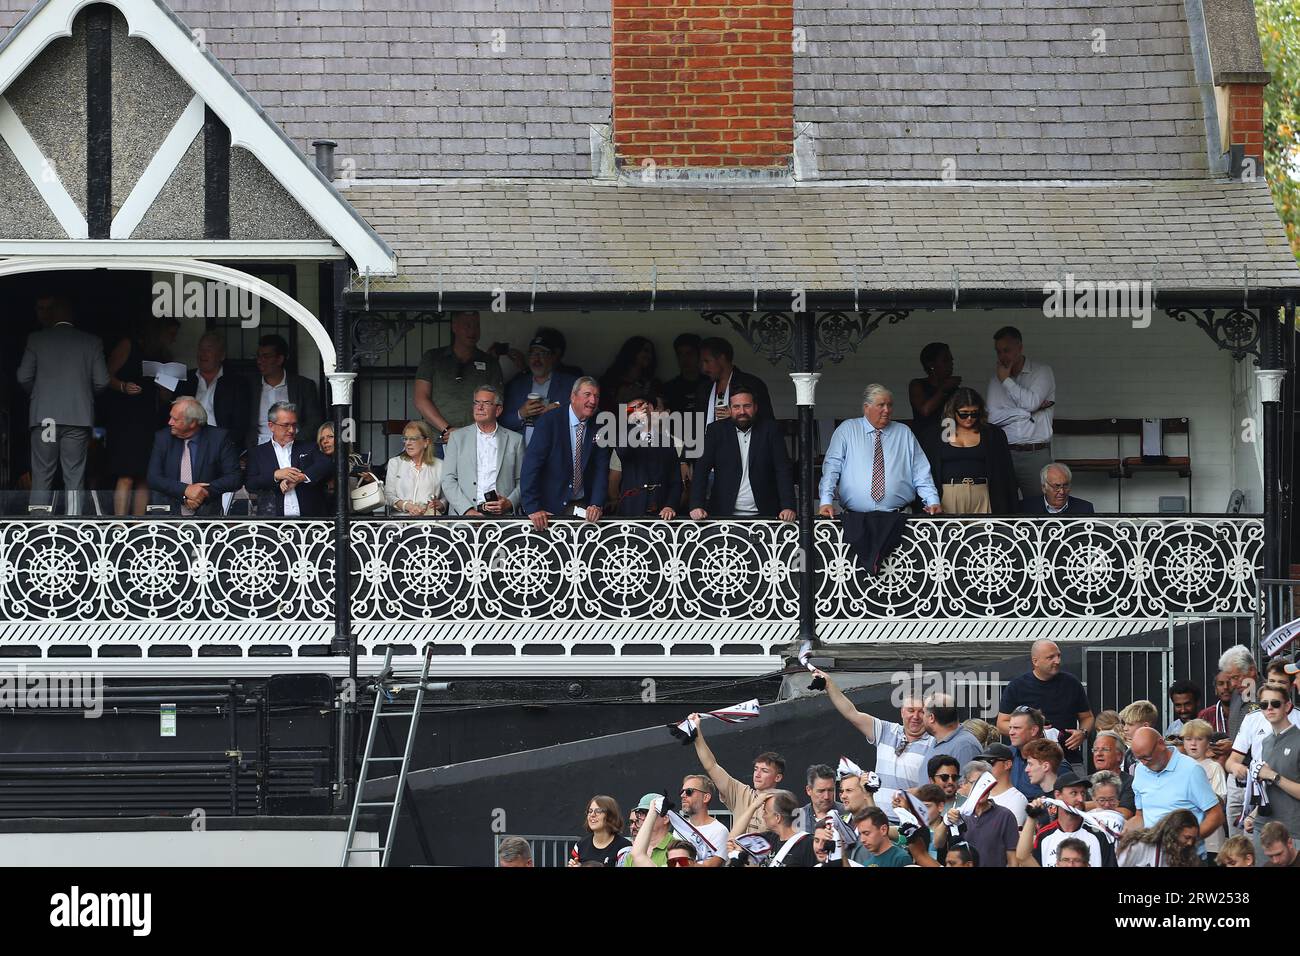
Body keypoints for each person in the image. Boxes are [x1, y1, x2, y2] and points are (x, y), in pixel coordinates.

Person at [16, 295, 109, 515]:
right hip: (77, 418)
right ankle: (73, 527)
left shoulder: (36, 339)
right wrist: (83, 394)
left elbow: (22, 377)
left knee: (42, 473)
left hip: (45, 418)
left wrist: (41, 394)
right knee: (74, 475)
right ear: (72, 315)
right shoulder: (91, 341)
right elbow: (103, 381)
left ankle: (38, 526)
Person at [811, 669, 933, 820]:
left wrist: (909, 795)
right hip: (877, 818)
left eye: (921, 712)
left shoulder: (933, 743)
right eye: (911, 710)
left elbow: (935, 789)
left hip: (910, 822)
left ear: (928, 715)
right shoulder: (887, 730)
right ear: (902, 712)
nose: (915, 716)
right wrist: (829, 685)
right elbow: (851, 713)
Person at [818, 385, 941, 517]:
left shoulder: (903, 433)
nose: (887, 410)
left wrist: (932, 500)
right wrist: (826, 501)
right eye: (881, 405)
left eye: (890, 405)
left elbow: (921, 471)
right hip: (855, 518)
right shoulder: (847, 430)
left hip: (898, 517)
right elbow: (832, 468)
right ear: (866, 408)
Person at [104, 316, 180, 516]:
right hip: (126, 420)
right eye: (170, 334)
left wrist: (163, 387)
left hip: (149, 420)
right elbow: (105, 375)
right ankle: (120, 524)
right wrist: (123, 386)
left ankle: (138, 525)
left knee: (145, 475)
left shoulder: (165, 358)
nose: (173, 339)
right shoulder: (129, 345)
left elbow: (166, 397)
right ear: (158, 333)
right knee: (126, 473)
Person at [688, 387, 795, 521]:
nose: (742, 411)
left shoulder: (770, 430)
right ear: (730, 409)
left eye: (747, 406)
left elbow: (782, 469)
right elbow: (701, 470)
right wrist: (696, 505)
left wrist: (788, 506)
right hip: (723, 513)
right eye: (736, 407)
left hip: (765, 513)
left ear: (755, 407)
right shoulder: (716, 431)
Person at [519, 377, 609, 531]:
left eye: (597, 396)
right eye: (587, 394)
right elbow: (531, 466)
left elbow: (601, 468)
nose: (593, 401)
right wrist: (532, 507)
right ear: (573, 396)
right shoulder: (549, 421)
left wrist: (596, 504)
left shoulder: (600, 424)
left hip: (581, 505)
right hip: (547, 506)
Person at [413, 311, 503, 455]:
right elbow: (420, 398)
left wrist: (468, 433)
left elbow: (496, 404)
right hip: (436, 440)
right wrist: (447, 430)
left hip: (476, 440)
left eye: (476, 326)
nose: (472, 330)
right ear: (454, 326)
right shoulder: (433, 358)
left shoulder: (490, 362)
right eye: (467, 325)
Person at [918, 387, 1017, 514]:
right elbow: (924, 471)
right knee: (949, 532)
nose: (969, 418)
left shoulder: (992, 434)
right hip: (948, 493)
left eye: (974, 413)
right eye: (964, 414)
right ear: (953, 412)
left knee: (985, 533)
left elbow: (1005, 473)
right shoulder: (937, 434)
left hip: (983, 492)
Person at [986, 325, 1056, 503]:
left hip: (1035, 452)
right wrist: (1025, 413)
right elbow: (991, 418)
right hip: (1005, 452)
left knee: (1039, 506)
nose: (1002, 356)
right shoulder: (996, 379)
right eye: (998, 351)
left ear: (1020, 348)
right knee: (1004, 504)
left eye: (1007, 350)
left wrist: (1006, 381)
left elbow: (1031, 402)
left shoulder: (1042, 372)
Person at [1128, 727, 1225, 856]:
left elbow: (1216, 816)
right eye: (1139, 758)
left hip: (1187, 858)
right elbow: (1140, 815)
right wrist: (1126, 830)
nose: (1144, 763)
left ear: (1161, 744)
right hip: (1153, 856)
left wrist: (1190, 840)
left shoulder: (1191, 770)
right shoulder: (1140, 771)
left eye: (1147, 757)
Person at [997, 640, 1093, 765]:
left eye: (1058, 656)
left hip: (1068, 759)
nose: (1057, 661)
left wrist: (1083, 733)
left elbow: (1087, 717)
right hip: (1030, 761)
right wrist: (1032, 730)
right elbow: (1001, 724)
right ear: (1035, 661)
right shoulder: (1017, 686)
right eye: (1050, 657)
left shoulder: (1072, 683)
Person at [688, 713, 784, 833]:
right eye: (756, 769)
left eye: (764, 771)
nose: (757, 774)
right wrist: (697, 734)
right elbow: (711, 766)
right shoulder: (740, 792)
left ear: (778, 777)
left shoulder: (784, 803)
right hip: (737, 851)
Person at [146, 397, 241, 516]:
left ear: (192, 423)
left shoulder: (219, 438)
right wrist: (185, 491)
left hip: (207, 516)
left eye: (175, 419)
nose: (170, 422)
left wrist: (202, 492)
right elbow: (153, 478)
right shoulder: (163, 438)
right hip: (168, 517)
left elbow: (234, 477)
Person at [441, 385, 524, 516]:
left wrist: (509, 503)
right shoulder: (457, 437)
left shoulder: (516, 440)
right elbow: (448, 479)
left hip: (503, 520)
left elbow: (523, 480)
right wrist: (467, 511)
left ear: (498, 410)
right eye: (476, 403)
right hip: (463, 520)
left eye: (486, 403)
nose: (479, 407)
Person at [244, 402, 333, 516]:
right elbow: (250, 484)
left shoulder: (309, 447)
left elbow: (327, 464)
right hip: (273, 523)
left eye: (294, 425)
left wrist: (301, 477)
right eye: (286, 425)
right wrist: (276, 475)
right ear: (271, 426)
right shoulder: (258, 453)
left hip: (311, 521)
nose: (291, 430)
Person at [607, 388, 681, 519]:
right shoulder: (622, 438)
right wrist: (637, 426)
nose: (636, 413)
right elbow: (623, 452)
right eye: (630, 410)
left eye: (639, 407)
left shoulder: (667, 442)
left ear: (650, 408)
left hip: (661, 516)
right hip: (631, 514)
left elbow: (675, 481)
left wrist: (670, 505)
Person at [1015, 772, 1115, 867]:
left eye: (1083, 793)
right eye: (1074, 793)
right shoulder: (1045, 836)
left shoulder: (1099, 834)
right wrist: (1032, 816)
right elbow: (1023, 857)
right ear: (1058, 795)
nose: (1080, 799)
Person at [176, 331, 250, 454]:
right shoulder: (185, 379)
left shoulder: (236, 382)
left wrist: (222, 445)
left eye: (209, 349)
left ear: (221, 355)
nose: (203, 354)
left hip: (222, 446)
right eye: (200, 349)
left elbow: (241, 424)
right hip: (187, 444)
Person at [499, 328, 574, 445]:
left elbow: (583, 411)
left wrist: (558, 409)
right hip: (523, 454)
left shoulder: (569, 383)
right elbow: (501, 421)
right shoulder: (517, 385)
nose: (536, 359)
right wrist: (521, 414)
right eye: (533, 354)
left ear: (552, 357)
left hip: (554, 453)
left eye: (542, 354)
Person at [249, 334, 320, 447]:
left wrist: (294, 442)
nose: (260, 361)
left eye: (266, 356)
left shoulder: (303, 386)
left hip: (294, 448)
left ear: (279, 359)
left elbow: (314, 423)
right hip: (258, 450)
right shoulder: (250, 387)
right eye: (258, 356)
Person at [1255, 684, 1300, 845]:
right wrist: (1253, 815)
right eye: (1264, 705)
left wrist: (1273, 776)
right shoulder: (1266, 742)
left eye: (1275, 703)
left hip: (1292, 832)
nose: (1269, 708)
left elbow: (1271, 777)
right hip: (1263, 828)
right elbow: (1266, 788)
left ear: (1287, 706)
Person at [694, 337, 773, 426]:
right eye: (702, 362)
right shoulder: (704, 388)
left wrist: (737, 416)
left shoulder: (752, 384)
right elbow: (697, 425)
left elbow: (767, 422)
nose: (704, 368)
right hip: (707, 439)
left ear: (722, 358)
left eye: (707, 361)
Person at [728, 790, 818, 867]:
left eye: (766, 812)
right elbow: (732, 840)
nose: (763, 816)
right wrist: (754, 805)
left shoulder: (809, 844)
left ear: (777, 818)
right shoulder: (767, 839)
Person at [941, 778, 1019, 867]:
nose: (981, 789)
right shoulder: (958, 814)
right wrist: (945, 821)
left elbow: (1013, 858)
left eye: (985, 784)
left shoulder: (1005, 815)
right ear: (965, 785)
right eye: (975, 784)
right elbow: (938, 843)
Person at [1179, 718, 1228, 859]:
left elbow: (1220, 799)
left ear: (1207, 743)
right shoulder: (1179, 767)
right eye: (1188, 739)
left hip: (1210, 840)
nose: (1193, 744)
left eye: (1199, 739)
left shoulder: (1214, 767)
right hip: (1185, 837)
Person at [1007, 706, 1071, 800]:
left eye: (1016, 728)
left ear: (1034, 730)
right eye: (1010, 728)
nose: (1011, 732)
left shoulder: (1056, 763)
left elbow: (1071, 802)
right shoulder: (1006, 755)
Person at [383, 421, 446, 516]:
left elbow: (447, 495)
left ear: (426, 442)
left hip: (430, 523)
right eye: (405, 439)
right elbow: (388, 495)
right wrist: (407, 506)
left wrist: (441, 504)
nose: (408, 443)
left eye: (413, 439)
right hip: (400, 523)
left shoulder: (440, 465)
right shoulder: (395, 463)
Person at [962, 747, 1028, 825]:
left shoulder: (1017, 799)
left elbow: (1011, 833)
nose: (985, 767)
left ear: (1007, 764)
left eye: (990, 762)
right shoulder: (976, 793)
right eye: (981, 763)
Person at [908, 341, 961, 436]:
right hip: (925, 440)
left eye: (951, 360)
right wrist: (943, 389)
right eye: (946, 360)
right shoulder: (917, 385)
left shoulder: (954, 389)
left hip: (948, 439)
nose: (951, 364)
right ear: (931, 364)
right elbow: (925, 411)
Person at [1116, 809, 1201, 867]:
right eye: (1187, 837)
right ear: (1173, 832)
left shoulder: (1186, 855)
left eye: (1193, 839)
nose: (1190, 843)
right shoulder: (1138, 846)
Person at [599, 335, 660, 413]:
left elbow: (655, 409)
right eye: (646, 350)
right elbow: (605, 408)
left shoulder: (653, 384)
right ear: (634, 351)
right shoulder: (609, 380)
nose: (649, 356)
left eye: (651, 353)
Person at [925, 692, 984, 771]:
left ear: (931, 717)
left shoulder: (965, 746)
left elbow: (966, 781)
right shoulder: (937, 740)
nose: (921, 717)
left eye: (923, 712)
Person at [678, 775, 730, 861]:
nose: (683, 795)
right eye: (682, 791)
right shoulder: (679, 829)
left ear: (706, 797)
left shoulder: (719, 831)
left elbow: (713, 865)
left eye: (689, 791)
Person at [569, 795, 631, 866]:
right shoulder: (580, 846)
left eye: (598, 811)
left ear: (610, 815)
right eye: (590, 811)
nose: (592, 815)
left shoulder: (624, 847)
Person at [1089, 730, 1137, 817]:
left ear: (1119, 756)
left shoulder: (1131, 783)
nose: (1098, 754)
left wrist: (1085, 806)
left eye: (1105, 749)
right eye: (1095, 750)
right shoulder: (1084, 782)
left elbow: (1125, 814)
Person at [1018, 462, 1095, 515]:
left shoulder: (1085, 509)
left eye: (1065, 486)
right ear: (1044, 488)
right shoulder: (1026, 508)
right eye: (1056, 486)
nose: (1062, 492)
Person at [622, 793, 672, 866]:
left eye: (647, 813)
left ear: (665, 818)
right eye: (639, 813)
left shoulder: (677, 847)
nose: (641, 818)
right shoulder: (633, 852)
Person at [792, 764, 843, 834]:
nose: (826, 796)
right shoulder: (797, 818)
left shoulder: (848, 813)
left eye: (830, 790)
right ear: (809, 790)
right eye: (821, 791)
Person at [662, 332, 703, 415]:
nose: (684, 359)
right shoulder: (669, 388)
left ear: (699, 355)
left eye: (689, 353)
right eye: (680, 354)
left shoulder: (711, 385)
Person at [1119, 700, 1159, 773]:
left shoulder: (1159, 751)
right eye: (1125, 724)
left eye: (1130, 724)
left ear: (1145, 726)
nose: (1125, 728)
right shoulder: (1129, 754)